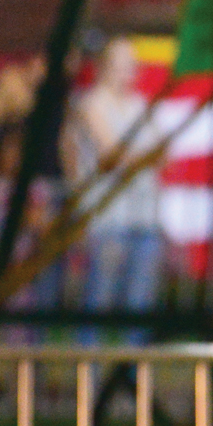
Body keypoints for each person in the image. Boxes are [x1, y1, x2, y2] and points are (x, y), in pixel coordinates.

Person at [67, 37, 167, 320]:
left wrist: (139, 156)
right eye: (122, 65)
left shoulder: (140, 105)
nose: (129, 72)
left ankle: (133, 365)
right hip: (107, 218)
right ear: (103, 67)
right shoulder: (89, 103)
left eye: (133, 66)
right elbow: (112, 154)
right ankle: (89, 364)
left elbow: (162, 153)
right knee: (98, 302)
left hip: (144, 217)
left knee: (139, 306)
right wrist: (143, 156)